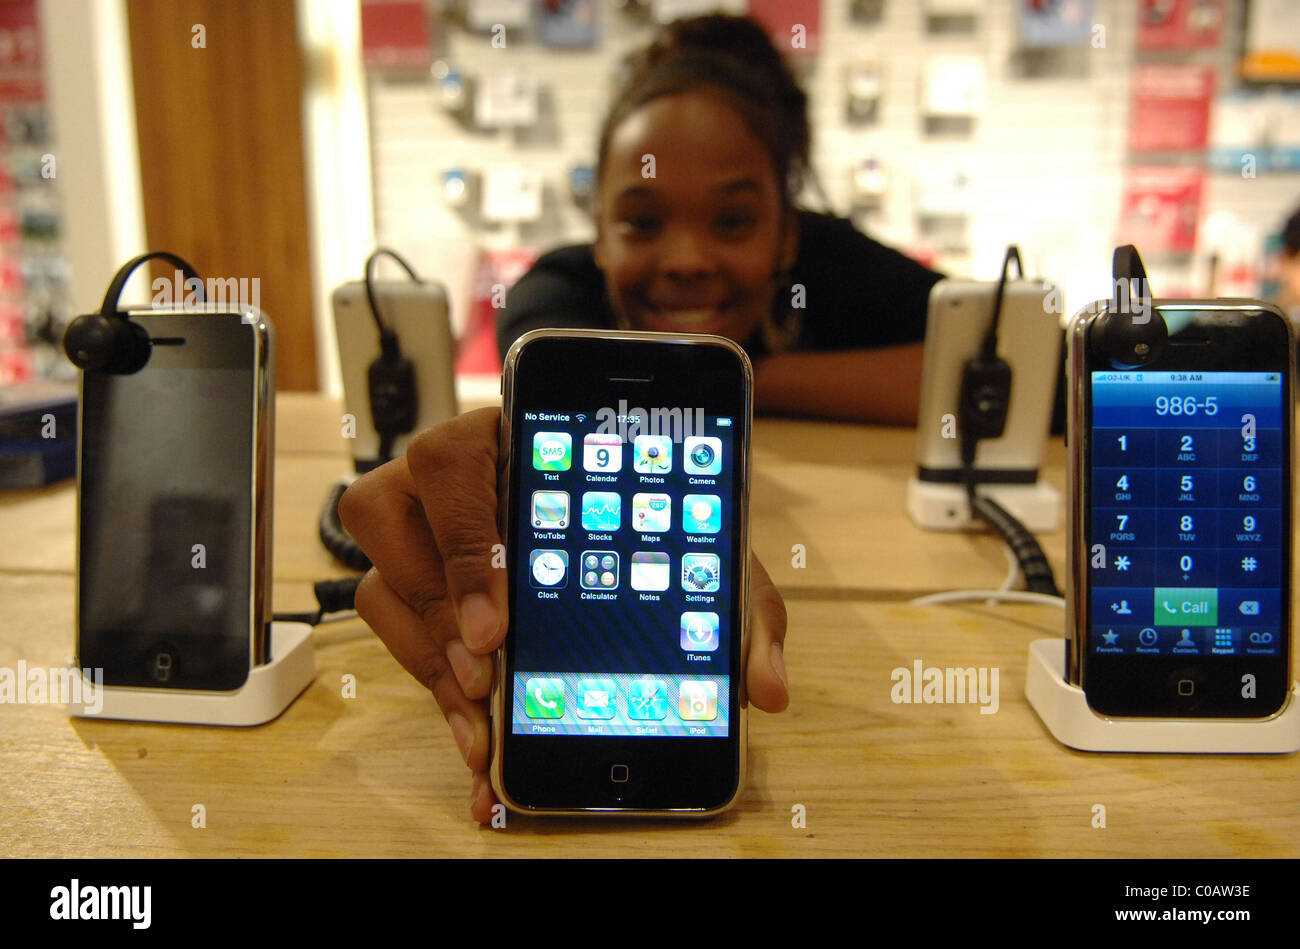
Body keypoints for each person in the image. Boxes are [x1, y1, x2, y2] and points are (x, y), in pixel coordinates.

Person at [497, 14, 941, 425]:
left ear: (787, 234)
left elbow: (983, 357)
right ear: (599, 233)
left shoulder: (832, 261)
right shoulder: (559, 289)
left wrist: (742, 379)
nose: (687, 261)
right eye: (643, 222)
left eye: (731, 221)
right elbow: (547, 378)